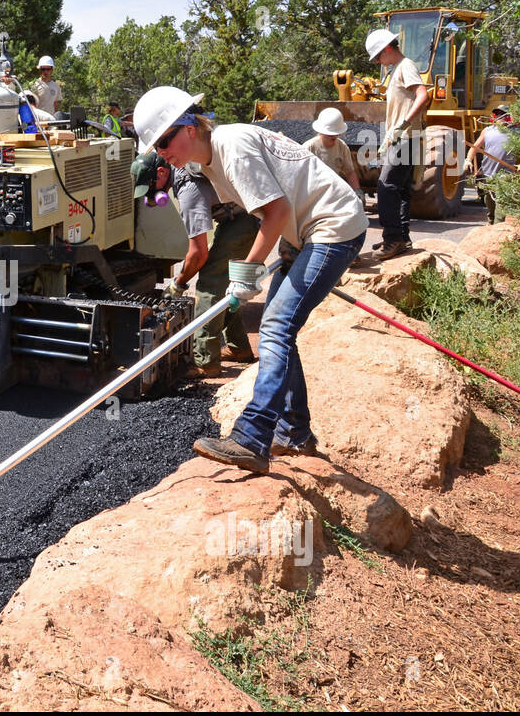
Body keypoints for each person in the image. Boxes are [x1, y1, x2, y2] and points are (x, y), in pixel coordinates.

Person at [136, 86, 368, 473]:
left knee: (276, 326)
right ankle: (295, 433)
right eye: (156, 146)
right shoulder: (212, 161)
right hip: (307, 231)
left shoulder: (231, 147)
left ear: (189, 126)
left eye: (164, 140)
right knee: (280, 326)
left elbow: (275, 213)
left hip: (333, 227)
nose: (162, 152)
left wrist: (246, 273)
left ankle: (252, 436)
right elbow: (277, 209)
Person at [163, 157, 260, 378]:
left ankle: (206, 362)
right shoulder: (183, 168)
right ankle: (239, 348)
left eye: (151, 188)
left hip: (243, 221)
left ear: (160, 173)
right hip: (243, 216)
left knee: (210, 285)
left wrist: (178, 284)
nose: (153, 195)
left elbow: (198, 254)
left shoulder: (188, 190)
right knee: (226, 285)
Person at [366, 28, 430, 260]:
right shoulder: (396, 70)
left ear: (387, 49)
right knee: (401, 189)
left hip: (406, 138)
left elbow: (423, 95)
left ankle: (392, 239)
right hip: (402, 137)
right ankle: (402, 238)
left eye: (377, 57)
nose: (377, 62)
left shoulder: (406, 66)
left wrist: (403, 125)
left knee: (386, 187)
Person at [466, 106, 520, 224]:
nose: (499, 117)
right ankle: (491, 225)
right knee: (489, 202)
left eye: (503, 114)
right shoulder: (487, 131)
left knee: (501, 206)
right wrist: (468, 160)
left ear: (509, 117)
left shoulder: (516, 133)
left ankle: (498, 227)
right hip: (488, 173)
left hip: (506, 174)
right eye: (497, 114)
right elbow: (474, 148)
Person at [305, 108, 362, 195]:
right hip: (312, 193)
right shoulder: (309, 147)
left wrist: (357, 191)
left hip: (332, 192)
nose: (334, 136)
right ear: (321, 131)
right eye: (330, 134)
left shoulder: (342, 147)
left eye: (336, 133)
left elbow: (349, 172)